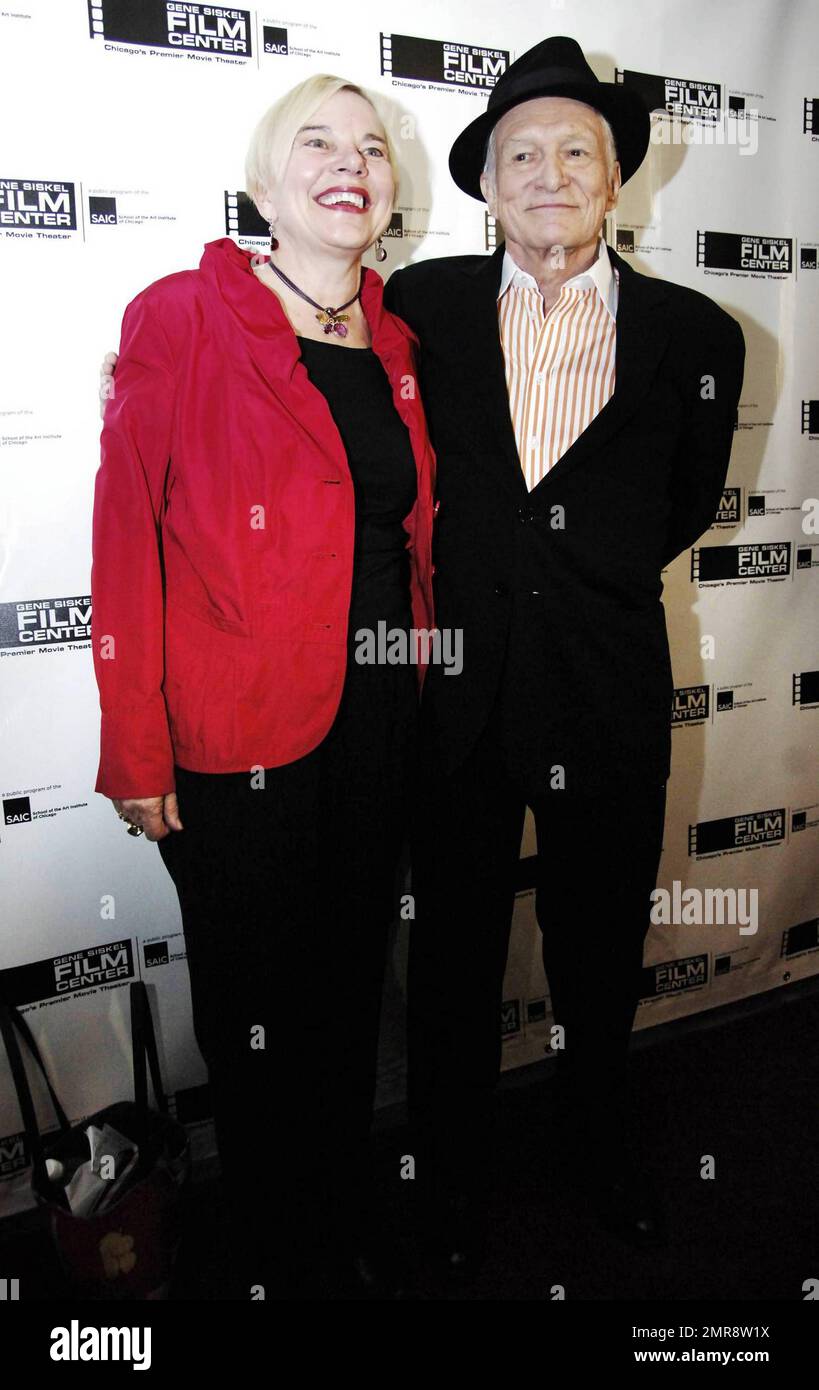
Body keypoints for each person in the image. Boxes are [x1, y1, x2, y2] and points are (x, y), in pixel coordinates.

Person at [382, 36, 746, 1267]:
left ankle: (605, 1148)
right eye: (519, 153)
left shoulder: (698, 335)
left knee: (597, 957)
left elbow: (681, 505)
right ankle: (443, 1186)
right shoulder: (418, 306)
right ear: (486, 184)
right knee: (452, 962)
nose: (547, 173)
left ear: (615, 177)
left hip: (606, 692)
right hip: (458, 698)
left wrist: (579, 576)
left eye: (574, 150)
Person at [91, 74, 435, 1298]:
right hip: (235, 745)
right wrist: (135, 749)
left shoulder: (395, 339)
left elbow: (403, 551)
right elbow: (126, 536)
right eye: (317, 142)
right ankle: (268, 1247)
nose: (351, 162)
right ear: (262, 181)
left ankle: (333, 1216)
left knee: (349, 998)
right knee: (256, 1012)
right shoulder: (184, 316)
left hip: (380, 729)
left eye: (373, 148)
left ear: (393, 190)